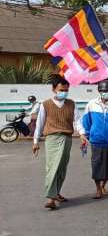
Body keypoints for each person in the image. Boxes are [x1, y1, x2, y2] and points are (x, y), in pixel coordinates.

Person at [32, 75, 82, 210]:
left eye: (66, 90)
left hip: (67, 138)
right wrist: (36, 141)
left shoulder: (71, 103)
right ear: (54, 89)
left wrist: (82, 134)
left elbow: (77, 121)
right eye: (61, 90)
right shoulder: (46, 104)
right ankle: (50, 198)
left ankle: (56, 193)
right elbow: (40, 124)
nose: (64, 92)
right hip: (52, 138)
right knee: (52, 166)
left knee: (62, 167)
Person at [79, 80, 108, 199]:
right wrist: (86, 134)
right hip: (96, 141)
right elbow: (86, 121)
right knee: (97, 165)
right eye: (103, 91)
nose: (106, 93)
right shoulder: (91, 104)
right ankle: (98, 188)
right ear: (99, 91)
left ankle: (104, 184)